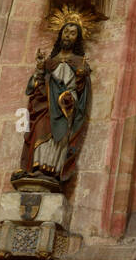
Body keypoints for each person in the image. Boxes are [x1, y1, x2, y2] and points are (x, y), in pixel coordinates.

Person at [16, 20, 91, 186]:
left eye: (72, 33)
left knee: (59, 135)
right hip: (45, 105)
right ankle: (36, 167)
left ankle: (52, 170)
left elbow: (82, 93)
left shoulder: (79, 62)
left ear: (77, 38)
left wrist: (80, 77)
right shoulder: (50, 62)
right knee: (40, 128)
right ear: (60, 34)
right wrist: (40, 68)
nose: (68, 36)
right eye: (66, 32)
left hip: (65, 105)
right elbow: (35, 85)